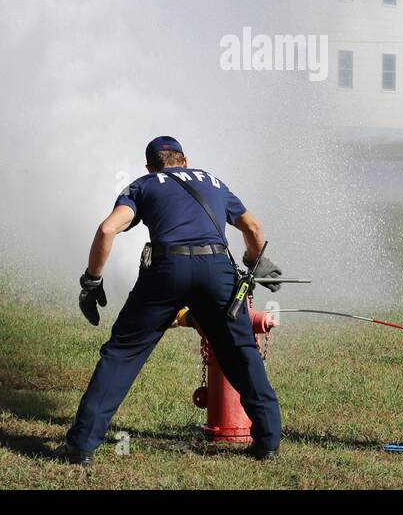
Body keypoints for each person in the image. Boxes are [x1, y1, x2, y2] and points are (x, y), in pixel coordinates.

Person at [60, 136, 283, 465]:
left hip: (168, 269)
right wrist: (255, 261)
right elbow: (251, 226)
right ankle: (268, 442)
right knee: (240, 352)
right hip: (216, 269)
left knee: (122, 354)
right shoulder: (213, 181)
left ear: (150, 166)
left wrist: (91, 281)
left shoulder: (144, 184)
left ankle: (80, 448)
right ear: (185, 160)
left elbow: (108, 230)